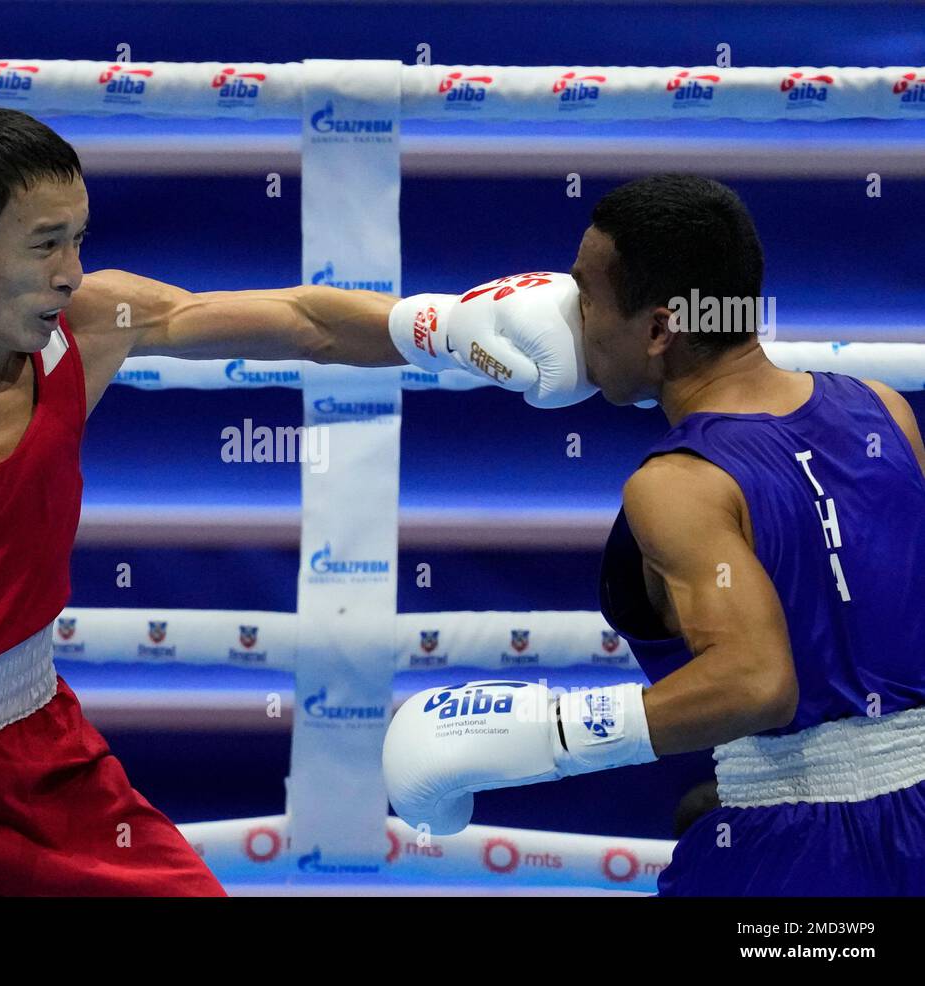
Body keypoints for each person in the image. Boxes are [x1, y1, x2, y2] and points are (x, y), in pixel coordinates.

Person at [0, 107, 588, 896]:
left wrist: (436, 325)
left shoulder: (88, 327)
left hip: (35, 764)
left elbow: (297, 321)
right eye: (44, 243)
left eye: (80, 239)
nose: (71, 271)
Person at [383, 174, 925, 896]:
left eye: (585, 296)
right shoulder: (883, 410)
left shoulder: (676, 483)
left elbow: (756, 684)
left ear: (661, 330)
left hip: (807, 854)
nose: (571, 318)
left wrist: (554, 733)